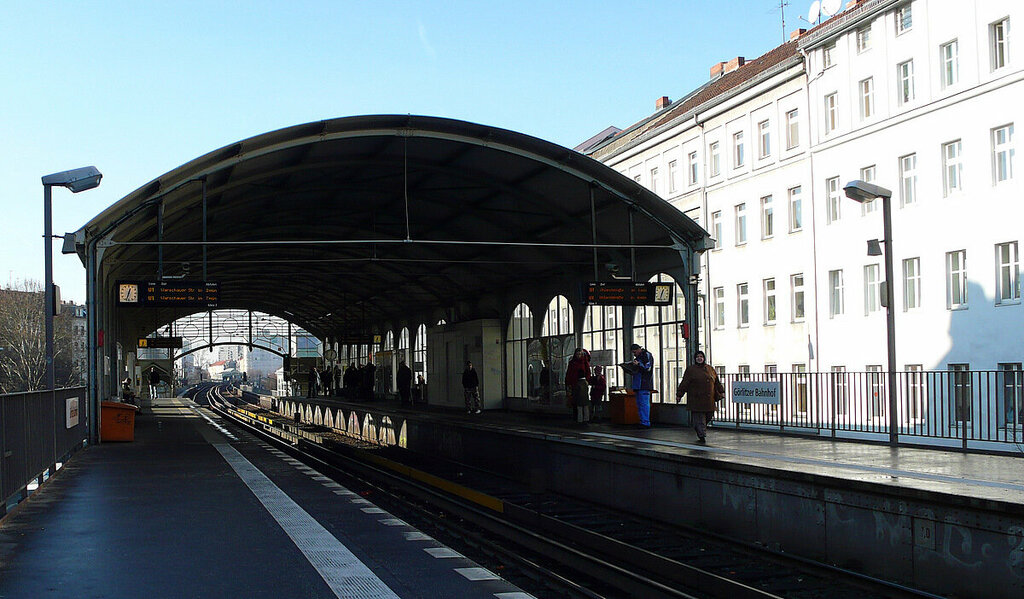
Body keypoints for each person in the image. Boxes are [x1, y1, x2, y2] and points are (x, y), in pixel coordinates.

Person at [676, 350, 724, 443]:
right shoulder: (691, 370)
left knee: (709, 416)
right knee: (700, 417)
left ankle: (699, 428)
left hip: (709, 400)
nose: (699, 358)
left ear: (704, 358)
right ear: (695, 358)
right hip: (696, 399)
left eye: (701, 357)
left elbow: (716, 381)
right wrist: (679, 394)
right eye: (697, 357)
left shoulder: (710, 369)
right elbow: (684, 383)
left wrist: (721, 391)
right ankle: (702, 435)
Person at [629, 343, 654, 428]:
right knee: (640, 404)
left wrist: (638, 365)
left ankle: (645, 422)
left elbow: (647, 368)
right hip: (639, 385)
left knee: (643, 404)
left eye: (635, 352)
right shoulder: (640, 357)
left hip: (644, 384)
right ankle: (642, 420)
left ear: (639, 349)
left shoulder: (646, 355)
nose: (634, 354)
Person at [565, 348, 592, 423]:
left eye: (580, 354)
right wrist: (569, 383)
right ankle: (578, 417)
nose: (579, 356)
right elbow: (569, 373)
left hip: (581, 383)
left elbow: (588, 373)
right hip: (575, 383)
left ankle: (581, 418)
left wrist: (587, 380)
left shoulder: (584, 362)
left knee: (580, 402)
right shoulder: (573, 363)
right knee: (577, 402)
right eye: (577, 354)